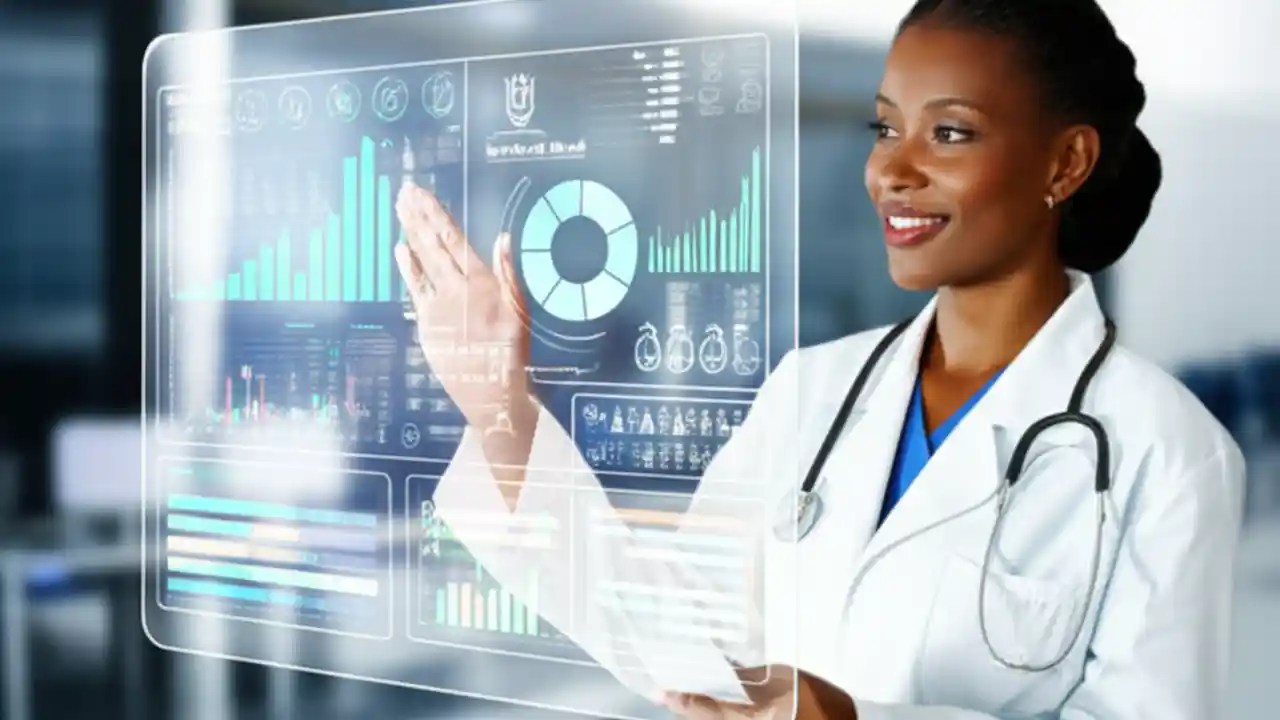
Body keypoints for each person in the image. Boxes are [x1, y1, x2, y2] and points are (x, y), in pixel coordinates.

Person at [392, 0, 1246, 717]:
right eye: (885, 127)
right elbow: (670, 626)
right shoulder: (815, 388)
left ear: (1066, 161)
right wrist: (500, 410)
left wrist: (844, 715)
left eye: (949, 132)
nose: (889, 169)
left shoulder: (1166, 453)